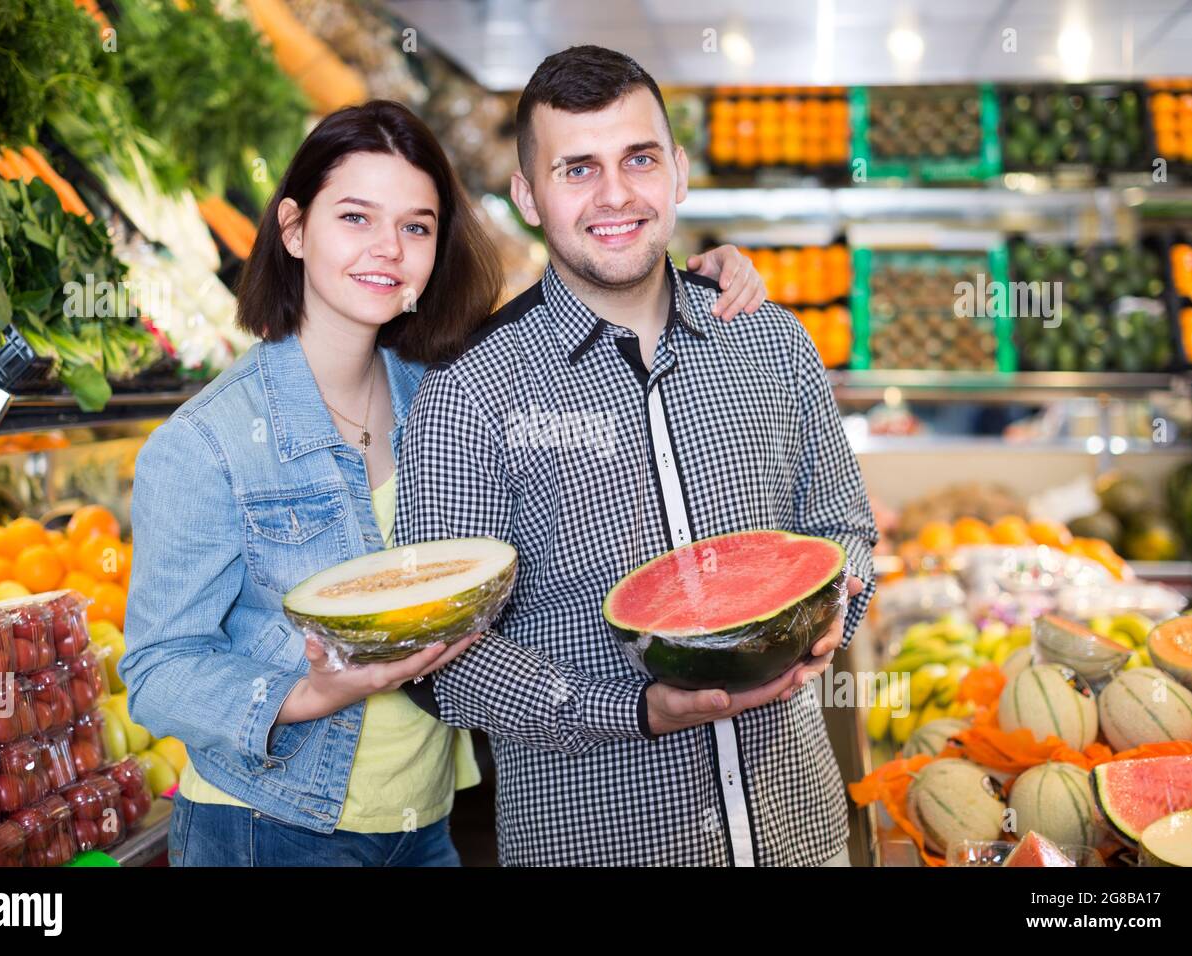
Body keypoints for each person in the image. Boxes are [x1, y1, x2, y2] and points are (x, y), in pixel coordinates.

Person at [122, 98, 766, 867]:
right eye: (355, 218)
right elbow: (157, 670)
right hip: (272, 824)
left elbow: (579, 314)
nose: (387, 250)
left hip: (425, 818)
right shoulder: (206, 442)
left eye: (416, 227)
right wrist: (312, 695)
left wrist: (695, 272)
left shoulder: (441, 391)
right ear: (294, 229)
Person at [395, 47, 879, 867]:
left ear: (678, 173)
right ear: (527, 195)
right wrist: (633, 710)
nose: (615, 195)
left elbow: (844, 528)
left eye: (639, 159)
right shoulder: (468, 396)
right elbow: (437, 661)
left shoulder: (771, 341)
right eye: (576, 169)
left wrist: (838, 611)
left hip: (805, 836)